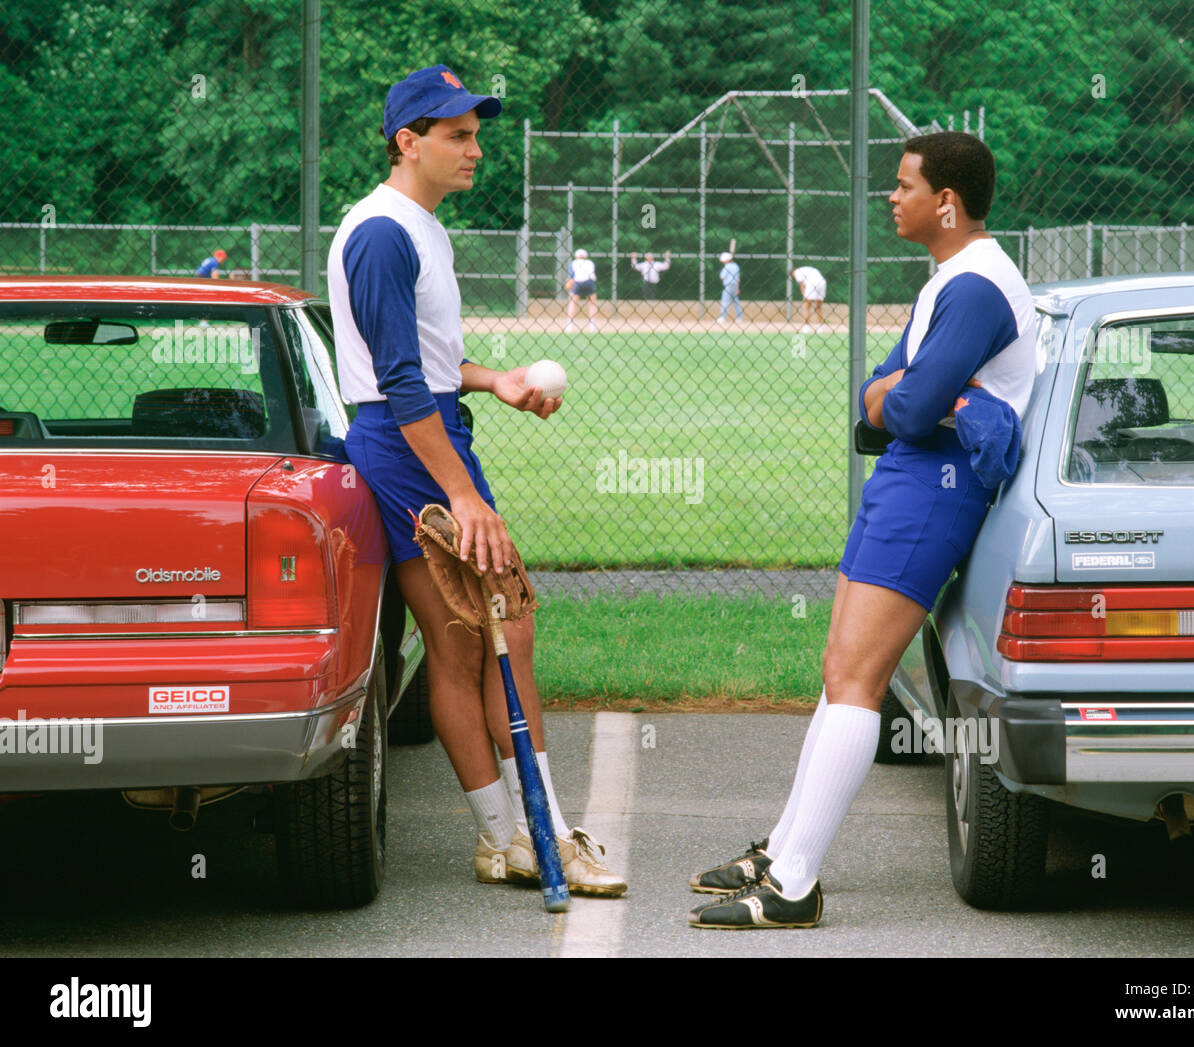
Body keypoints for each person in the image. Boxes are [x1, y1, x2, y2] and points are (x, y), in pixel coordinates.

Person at [689, 131, 1035, 928]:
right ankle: (783, 850)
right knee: (839, 672)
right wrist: (910, 393)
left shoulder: (977, 286)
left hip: (935, 491)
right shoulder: (953, 277)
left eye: (905, 184)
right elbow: (877, 395)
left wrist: (911, 395)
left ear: (946, 202)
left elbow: (904, 408)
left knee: (857, 680)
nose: (892, 195)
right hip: (911, 479)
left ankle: (795, 885)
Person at [326, 64, 626, 898]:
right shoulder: (382, 232)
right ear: (408, 141)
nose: (475, 149)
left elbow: (429, 361)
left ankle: (510, 839)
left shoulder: (419, 227)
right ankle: (535, 834)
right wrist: (461, 494)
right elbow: (397, 382)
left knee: (470, 640)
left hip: (423, 433)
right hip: (407, 446)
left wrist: (497, 382)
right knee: (499, 632)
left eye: (476, 134)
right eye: (458, 135)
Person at [565, 249, 598, 332]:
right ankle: (592, 326)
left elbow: (571, 277)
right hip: (589, 282)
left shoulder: (573, 263)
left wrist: (569, 284)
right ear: (585, 256)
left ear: (576, 256)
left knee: (572, 303)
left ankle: (569, 325)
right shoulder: (590, 263)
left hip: (577, 282)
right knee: (592, 304)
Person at [790, 264, 827, 333]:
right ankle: (820, 328)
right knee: (818, 307)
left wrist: (804, 296)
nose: (793, 277)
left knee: (806, 306)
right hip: (822, 282)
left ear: (792, 272)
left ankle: (806, 327)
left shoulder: (797, 272)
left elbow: (802, 286)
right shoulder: (805, 269)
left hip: (812, 283)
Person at [716, 251, 742, 323]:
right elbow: (738, 278)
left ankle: (723, 317)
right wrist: (738, 288)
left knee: (725, 301)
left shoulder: (726, 267)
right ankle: (740, 318)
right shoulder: (736, 266)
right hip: (735, 285)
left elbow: (722, 277)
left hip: (728, 285)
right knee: (736, 302)